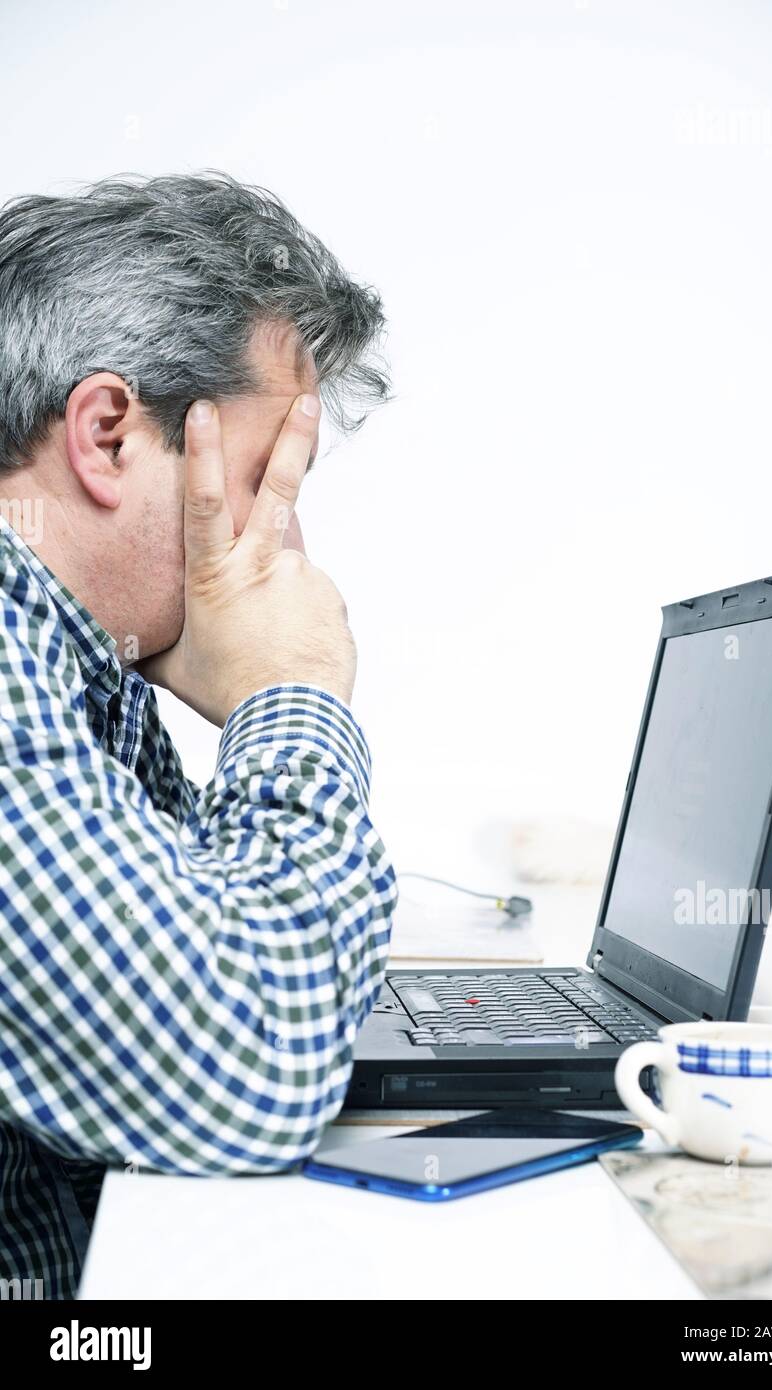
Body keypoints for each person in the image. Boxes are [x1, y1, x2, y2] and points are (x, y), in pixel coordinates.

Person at [0, 172, 398, 1299]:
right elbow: (245, 1066)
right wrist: (295, 690)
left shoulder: (87, 660)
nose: (287, 539)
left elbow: (226, 934)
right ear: (110, 434)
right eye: (269, 480)